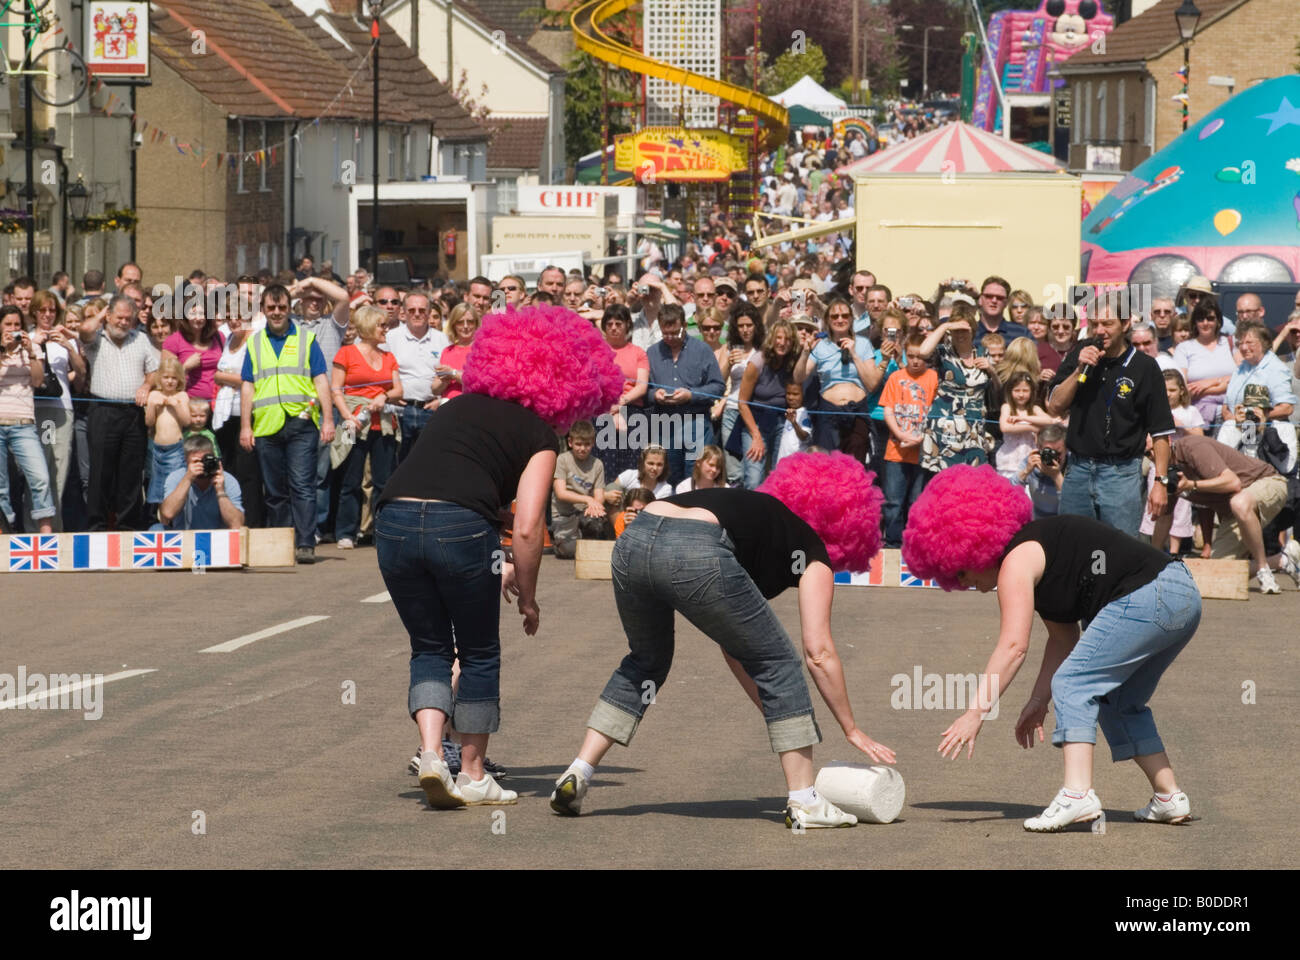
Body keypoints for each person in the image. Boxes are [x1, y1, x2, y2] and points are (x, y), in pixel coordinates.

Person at [549, 452, 896, 827]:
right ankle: (805, 801)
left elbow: (736, 645)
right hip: (695, 547)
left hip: (635, 538)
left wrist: (778, 711)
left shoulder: (758, 513)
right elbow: (818, 652)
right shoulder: (811, 549)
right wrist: (850, 728)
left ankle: (579, 771)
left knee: (645, 662)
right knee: (780, 661)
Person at [378, 304, 621, 809]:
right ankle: (470, 774)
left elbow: (443, 473)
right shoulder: (539, 436)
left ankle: (429, 755)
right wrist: (528, 597)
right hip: (461, 527)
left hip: (394, 519)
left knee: (429, 648)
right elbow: (530, 526)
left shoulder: (456, 405)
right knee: (479, 650)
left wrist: (498, 558)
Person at [903, 465, 1203, 832]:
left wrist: (974, 713)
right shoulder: (1041, 553)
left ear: (975, 548)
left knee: (1074, 683)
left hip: (1148, 595)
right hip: (1182, 595)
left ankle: (1078, 795)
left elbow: (1014, 646)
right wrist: (1037, 701)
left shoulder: (1016, 561)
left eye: (961, 572)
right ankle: (1168, 796)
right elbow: (1063, 639)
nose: (966, 584)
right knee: (1119, 701)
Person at [1046, 305, 1174, 535]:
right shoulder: (1080, 355)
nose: (1099, 330)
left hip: (1121, 474)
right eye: (1094, 324)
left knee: (1120, 552)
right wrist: (1079, 370)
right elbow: (1055, 406)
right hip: (1078, 471)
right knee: (1073, 547)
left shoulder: (1145, 367)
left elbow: (1161, 432)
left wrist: (1160, 483)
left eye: (1107, 324)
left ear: (1125, 325)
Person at [240, 284, 336, 565]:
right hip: (267, 424)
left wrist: (328, 419)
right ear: (263, 309)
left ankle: (306, 543)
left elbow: (321, 380)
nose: (277, 312)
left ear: (289, 308)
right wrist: (246, 426)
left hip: (301, 422)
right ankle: (282, 543)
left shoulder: (306, 339)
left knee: (302, 485)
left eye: (282, 307)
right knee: (274, 490)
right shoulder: (255, 342)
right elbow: (248, 386)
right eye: (271, 307)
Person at [1153, 435, 1300, 594]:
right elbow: (1163, 521)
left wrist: (1191, 484)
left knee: (1239, 502)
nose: (1153, 456)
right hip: (1234, 511)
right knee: (1218, 574)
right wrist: (1150, 564)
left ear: (1167, 442)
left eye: (1154, 449)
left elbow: (1233, 483)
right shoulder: (1165, 477)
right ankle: (1283, 560)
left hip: (1268, 482)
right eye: (1147, 454)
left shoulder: (1192, 447)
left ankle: (1264, 569)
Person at [79, 294, 159, 531]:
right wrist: (102, 315)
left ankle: (128, 527)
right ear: (109, 316)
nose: (124, 323)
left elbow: (153, 370)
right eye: (119, 317)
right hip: (103, 411)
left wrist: (146, 385)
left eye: (128, 318)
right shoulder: (97, 338)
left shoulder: (141, 339)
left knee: (131, 473)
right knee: (101, 473)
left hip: (133, 414)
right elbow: (84, 329)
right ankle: (98, 526)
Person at [330, 305, 403, 550]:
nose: (386, 329)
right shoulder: (346, 354)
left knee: (384, 480)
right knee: (350, 479)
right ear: (368, 326)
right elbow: (336, 389)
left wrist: (385, 396)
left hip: (382, 424)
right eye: (381, 325)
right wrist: (346, 416)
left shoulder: (388, 357)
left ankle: (380, 531)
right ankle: (346, 532)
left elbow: (398, 390)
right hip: (355, 422)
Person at [794, 297, 881, 461]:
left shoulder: (863, 343)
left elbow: (872, 384)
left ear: (851, 318)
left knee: (855, 466)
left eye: (844, 316)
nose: (840, 320)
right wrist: (805, 352)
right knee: (825, 463)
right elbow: (799, 377)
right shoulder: (820, 345)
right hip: (829, 411)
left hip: (857, 411)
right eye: (834, 316)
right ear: (827, 320)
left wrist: (854, 353)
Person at [646, 305, 724, 486]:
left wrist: (691, 395)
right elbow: (643, 389)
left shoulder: (702, 350)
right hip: (664, 423)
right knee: (667, 475)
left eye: (675, 332)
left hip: (696, 421)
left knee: (696, 474)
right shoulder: (652, 352)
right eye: (666, 333)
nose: (670, 338)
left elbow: (718, 386)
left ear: (685, 326)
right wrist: (654, 395)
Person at [27, 292, 85, 531]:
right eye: (43, 310)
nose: (48, 315)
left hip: (61, 409)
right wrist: (34, 345)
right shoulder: (28, 337)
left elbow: (81, 375)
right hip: (35, 410)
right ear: (34, 313)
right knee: (38, 472)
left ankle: (55, 530)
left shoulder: (66, 339)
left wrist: (69, 348)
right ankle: (32, 530)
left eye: (52, 310)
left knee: (59, 470)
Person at [917, 304, 996, 472]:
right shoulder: (943, 352)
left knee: (973, 481)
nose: (960, 334)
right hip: (945, 426)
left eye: (964, 330)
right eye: (956, 330)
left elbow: (999, 388)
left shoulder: (984, 353)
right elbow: (923, 352)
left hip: (974, 428)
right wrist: (945, 325)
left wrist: (991, 369)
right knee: (944, 481)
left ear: (973, 330)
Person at [879, 333, 938, 547]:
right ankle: (893, 542)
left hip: (923, 452)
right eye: (911, 356)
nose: (915, 361)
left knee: (918, 501)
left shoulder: (933, 378)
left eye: (920, 357)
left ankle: (916, 542)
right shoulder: (896, 377)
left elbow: (938, 414)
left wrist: (921, 439)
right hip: (897, 449)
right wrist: (902, 435)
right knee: (893, 501)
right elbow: (888, 410)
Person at [0, 307, 55, 533]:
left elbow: (38, 380)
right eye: (8, 325)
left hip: (24, 423)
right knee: (0, 487)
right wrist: (4, 350)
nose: (13, 329)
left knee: (40, 477)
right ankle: (4, 531)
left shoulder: (31, 348)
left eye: (17, 325)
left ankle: (46, 535)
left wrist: (30, 351)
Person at [1139, 371, 1205, 553]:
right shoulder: (1154, 410)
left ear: (1182, 391)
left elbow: (1200, 437)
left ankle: (1174, 551)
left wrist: (1179, 424)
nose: (1168, 394)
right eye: (1164, 389)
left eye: (1172, 389)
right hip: (1159, 465)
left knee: (1181, 508)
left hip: (1184, 468)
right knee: (1158, 506)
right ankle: (1156, 549)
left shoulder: (1190, 412)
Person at [385, 291, 448, 463]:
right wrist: (391, 398)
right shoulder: (391, 338)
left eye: (422, 310)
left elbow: (448, 375)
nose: (417, 314)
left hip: (431, 409)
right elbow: (381, 371)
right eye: (412, 310)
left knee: (429, 462)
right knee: (397, 462)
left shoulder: (442, 339)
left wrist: (440, 401)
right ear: (403, 312)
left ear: (429, 312)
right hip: (399, 411)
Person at [736, 319, 796, 487]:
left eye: (788, 339)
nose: (782, 343)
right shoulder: (758, 361)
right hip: (756, 420)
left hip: (782, 420)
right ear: (771, 339)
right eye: (778, 337)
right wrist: (756, 436)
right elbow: (742, 402)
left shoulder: (792, 361)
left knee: (781, 475)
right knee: (754, 478)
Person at [595, 304, 649, 483]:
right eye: (609, 324)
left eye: (618, 323)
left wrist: (621, 403)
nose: (613, 328)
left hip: (632, 408)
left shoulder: (638, 352)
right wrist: (612, 408)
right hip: (603, 409)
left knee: (632, 462)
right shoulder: (596, 351)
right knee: (606, 458)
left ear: (627, 325)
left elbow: (641, 386)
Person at [157, 435, 244, 530]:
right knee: (156, 528)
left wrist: (220, 491)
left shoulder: (227, 480)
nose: (202, 466)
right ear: (186, 461)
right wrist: (188, 478)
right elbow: (168, 513)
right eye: (196, 462)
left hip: (217, 540)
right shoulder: (176, 477)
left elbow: (237, 524)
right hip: (185, 538)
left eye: (205, 461)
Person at [1172, 300, 1236, 426]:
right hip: (1199, 415)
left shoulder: (1232, 343)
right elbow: (1183, 389)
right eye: (1200, 319)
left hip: (1233, 408)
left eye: (1210, 318)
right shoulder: (1184, 348)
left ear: (1218, 320)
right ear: (1195, 322)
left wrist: (1209, 383)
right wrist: (1224, 383)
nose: (1205, 323)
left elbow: (1243, 378)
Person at [550, 419, 608, 559]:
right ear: (570, 442)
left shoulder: (597, 464)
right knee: (569, 551)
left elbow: (599, 495)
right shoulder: (562, 460)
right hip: (564, 515)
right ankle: (563, 540)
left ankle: (586, 539)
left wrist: (596, 506)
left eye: (587, 444)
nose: (582, 448)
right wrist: (588, 499)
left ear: (593, 443)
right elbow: (560, 492)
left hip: (585, 513)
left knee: (597, 524)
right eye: (578, 444)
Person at [144, 353, 192, 519]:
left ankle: (175, 519)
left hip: (175, 449)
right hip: (158, 449)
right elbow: (149, 423)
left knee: (174, 485)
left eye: (174, 378)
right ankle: (160, 520)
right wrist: (151, 406)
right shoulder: (154, 395)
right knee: (158, 488)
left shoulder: (181, 396)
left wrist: (176, 406)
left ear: (179, 379)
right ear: (159, 378)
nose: (170, 381)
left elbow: (187, 421)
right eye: (166, 377)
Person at [163, 287, 225, 402]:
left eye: (202, 313)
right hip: (189, 404)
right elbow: (165, 379)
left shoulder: (219, 337)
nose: (198, 318)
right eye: (193, 313)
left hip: (217, 403)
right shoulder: (173, 341)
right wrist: (185, 367)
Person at [996, 372, 1059, 481]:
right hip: (1009, 459)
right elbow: (1005, 427)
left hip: (1029, 457)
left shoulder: (1034, 409)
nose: (1021, 394)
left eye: (1025, 391)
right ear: (1010, 391)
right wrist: (1032, 428)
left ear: (1032, 392)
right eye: (1017, 390)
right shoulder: (1007, 407)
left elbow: (1048, 420)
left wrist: (1024, 419)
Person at [1014, 423, 1068, 519]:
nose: (1053, 458)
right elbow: (1009, 493)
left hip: (1063, 522)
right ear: (1039, 447)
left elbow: (1071, 505)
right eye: (1048, 452)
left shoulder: (1073, 465)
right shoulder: (1032, 461)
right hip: (1038, 521)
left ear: (1067, 449)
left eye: (1057, 453)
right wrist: (1026, 472)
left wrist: (1057, 476)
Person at [433, 304, 478, 404]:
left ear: (476, 323)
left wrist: (452, 373)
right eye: (460, 322)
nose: (465, 326)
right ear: (454, 325)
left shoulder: (481, 350)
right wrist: (445, 381)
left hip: (472, 404)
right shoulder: (447, 351)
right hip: (448, 407)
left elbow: (477, 383)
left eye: (470, 322)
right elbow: (435, 389)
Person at [974, 276, 1031, 347]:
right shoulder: (968, 333)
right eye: (989, 296)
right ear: (980, 299)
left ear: (1006, 302)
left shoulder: (1022, 334)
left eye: (999, 298)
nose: (994, 300)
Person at [775, 382, 812, 464]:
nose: (791, 397)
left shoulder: (805, 413)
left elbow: (805, 437)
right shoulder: (788, 411)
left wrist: (794, 423)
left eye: (795, 394)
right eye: (788, 393)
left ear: (804, 395)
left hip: (796, 464)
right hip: (782, 462)